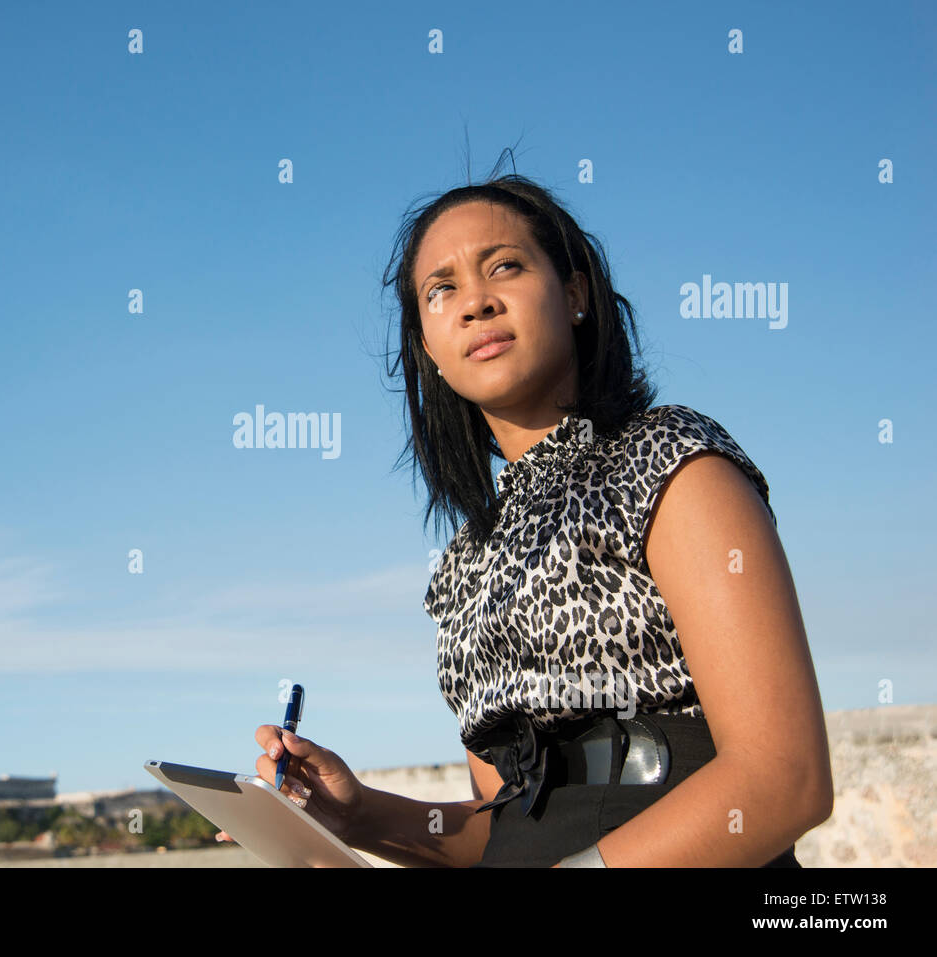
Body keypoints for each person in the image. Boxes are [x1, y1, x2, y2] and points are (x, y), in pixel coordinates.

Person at [218, 155, 834, 867]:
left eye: (504, 267)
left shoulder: (670, 459)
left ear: (575, 292)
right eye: (441, 289)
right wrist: (355, 815)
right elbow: (503, 827)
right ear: (430, 349)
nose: (475, 301)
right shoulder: (462, 564)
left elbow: (783, 779)